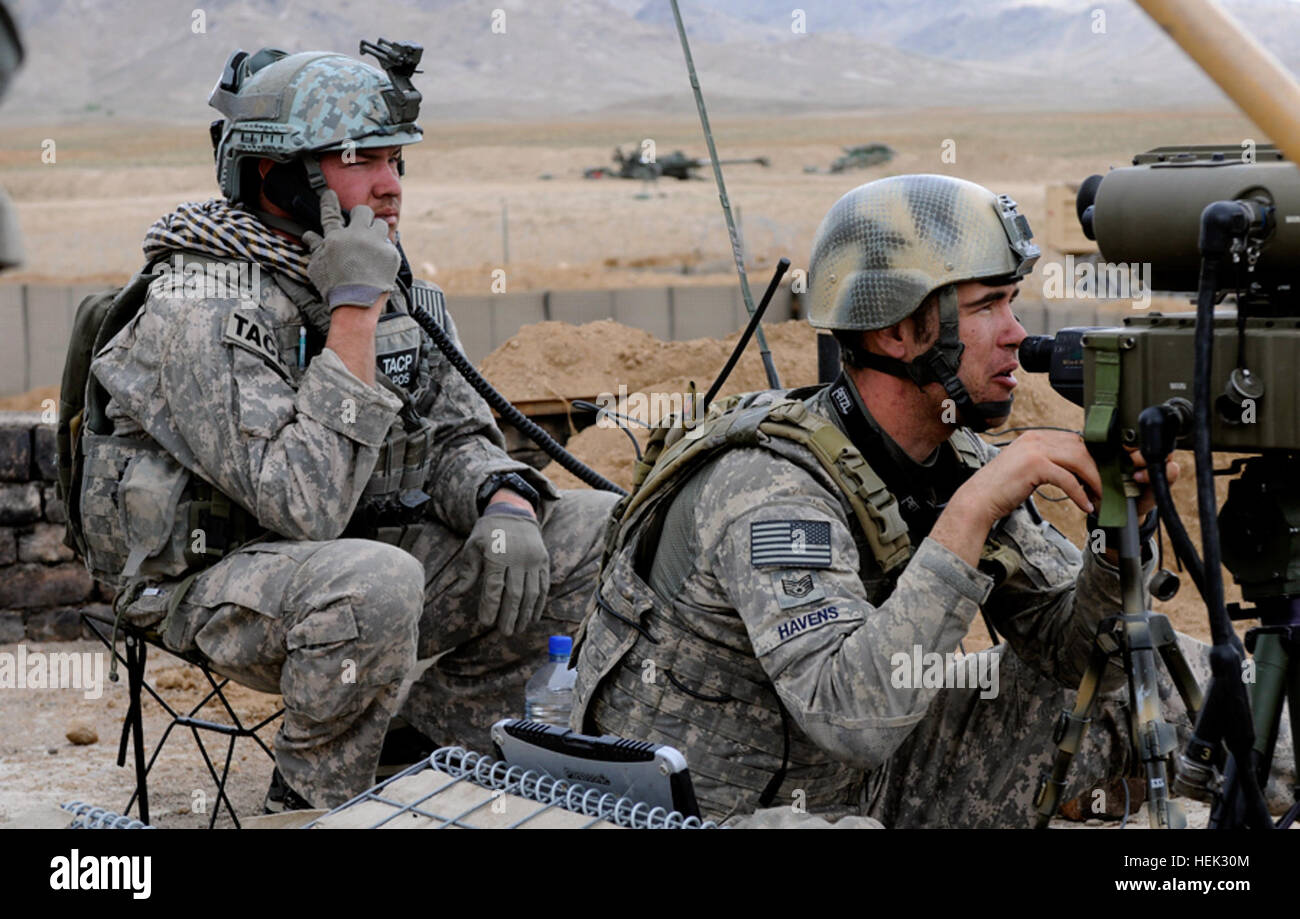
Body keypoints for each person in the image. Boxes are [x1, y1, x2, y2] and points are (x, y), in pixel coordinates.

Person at [571, 173, 1283, 827]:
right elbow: (851, 714)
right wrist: (970, 513)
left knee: (1146, 668)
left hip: (859, 784)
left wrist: (1115, 530)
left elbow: (1075, 651)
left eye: (1011, 300)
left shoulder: (951, 453)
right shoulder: (770, 488)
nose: (1017, 333)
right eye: (986, 307)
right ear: (899, 331)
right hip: (710, 810)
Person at [79, 41, 617, 811]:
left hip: (354, 563)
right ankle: (308, 804)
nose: (391, 186)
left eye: (396, 160)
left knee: (590, 528)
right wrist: (354, 315)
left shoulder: (387, 281)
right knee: (374, 582)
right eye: (361, 161)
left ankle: (420, 750)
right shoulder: (199, 305)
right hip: (211, 578)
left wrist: (502, 499)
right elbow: (304, 507)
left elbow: (457, 439)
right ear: (281, 176)